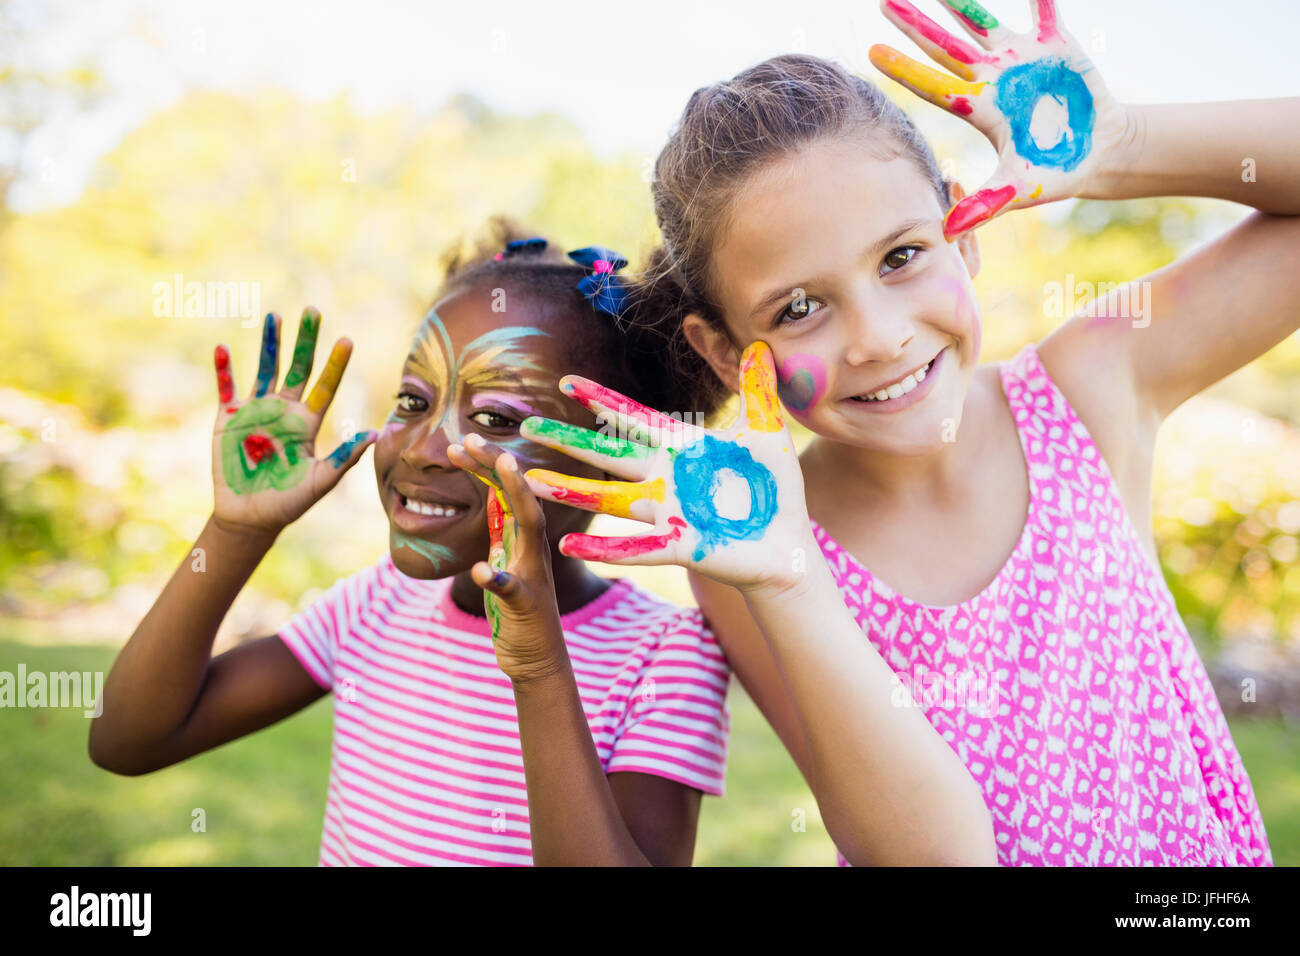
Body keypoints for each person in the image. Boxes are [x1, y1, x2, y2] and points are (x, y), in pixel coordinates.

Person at [516, 1, 1291, 865]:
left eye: (901, 256)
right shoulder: (756, 554)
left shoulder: (1093, 385)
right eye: (799, 308)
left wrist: (1128, 148)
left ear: (964, 232)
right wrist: (790, 585)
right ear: (726, 350)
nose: (880, 336)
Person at [89, 221, 731, 866]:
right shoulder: (374, 605)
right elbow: (129, 741)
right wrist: (235, 530)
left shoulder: (665, 656)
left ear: (611, 463)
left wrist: (537, 667)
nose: (423, 449)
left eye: (495, 419)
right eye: (412, 399)